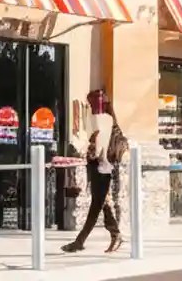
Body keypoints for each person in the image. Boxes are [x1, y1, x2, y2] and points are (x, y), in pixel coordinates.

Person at [63, 93, 126, 254]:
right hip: (103, 169)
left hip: (101, 169)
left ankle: (80, 241)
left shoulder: (102, 120)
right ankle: (114, 234)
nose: (90, 107)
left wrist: (88, 150)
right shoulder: (109, 119)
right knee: (102, 205)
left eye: (91, 104)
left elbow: (98, 149)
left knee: (96, 207)